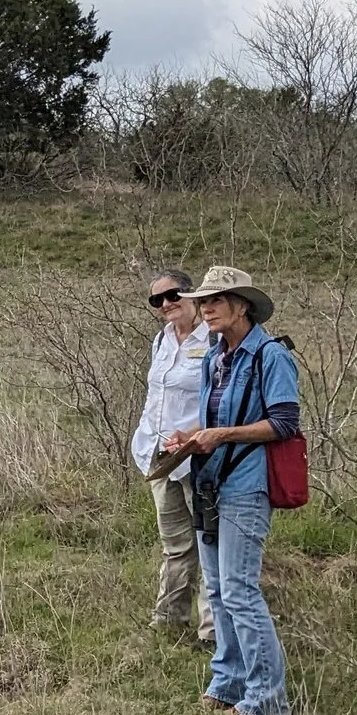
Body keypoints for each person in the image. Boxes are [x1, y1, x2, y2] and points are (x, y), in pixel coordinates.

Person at [157, 265, 297, 715]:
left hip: (245, 485)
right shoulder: (217, 355)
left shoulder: (270, 356)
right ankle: (228, 679)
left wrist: (221, 436)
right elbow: (214, 416)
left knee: (239, 590)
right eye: (204, 300)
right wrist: (191, 435)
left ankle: (267, 697)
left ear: (242, 306)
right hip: (209, 483)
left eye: (216, 300)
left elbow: (283, 423)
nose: (206, 308)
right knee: (217, 591)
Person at [133, 268, 212, 645]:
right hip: (159, 455)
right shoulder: (161, 339)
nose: (166, 305)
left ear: (192, 294)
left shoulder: (214, 339)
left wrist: (195, 436)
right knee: (176, 544)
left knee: (210, 543)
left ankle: (212, 631)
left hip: (198, 456)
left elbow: (221, 401)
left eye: (173, 295)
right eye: (157, 300)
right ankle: (169, 619)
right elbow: (155, 394)